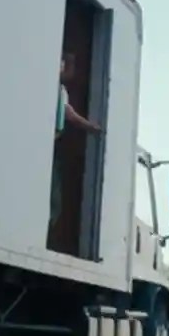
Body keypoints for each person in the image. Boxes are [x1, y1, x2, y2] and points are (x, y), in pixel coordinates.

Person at [51, 54, 102, 230]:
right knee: (54, 196)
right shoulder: (56, 89)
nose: (71, 70)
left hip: (54, 143)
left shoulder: (61, 90)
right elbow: (70, 116)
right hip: (51, 145)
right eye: (68, 64)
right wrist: (93, 128)